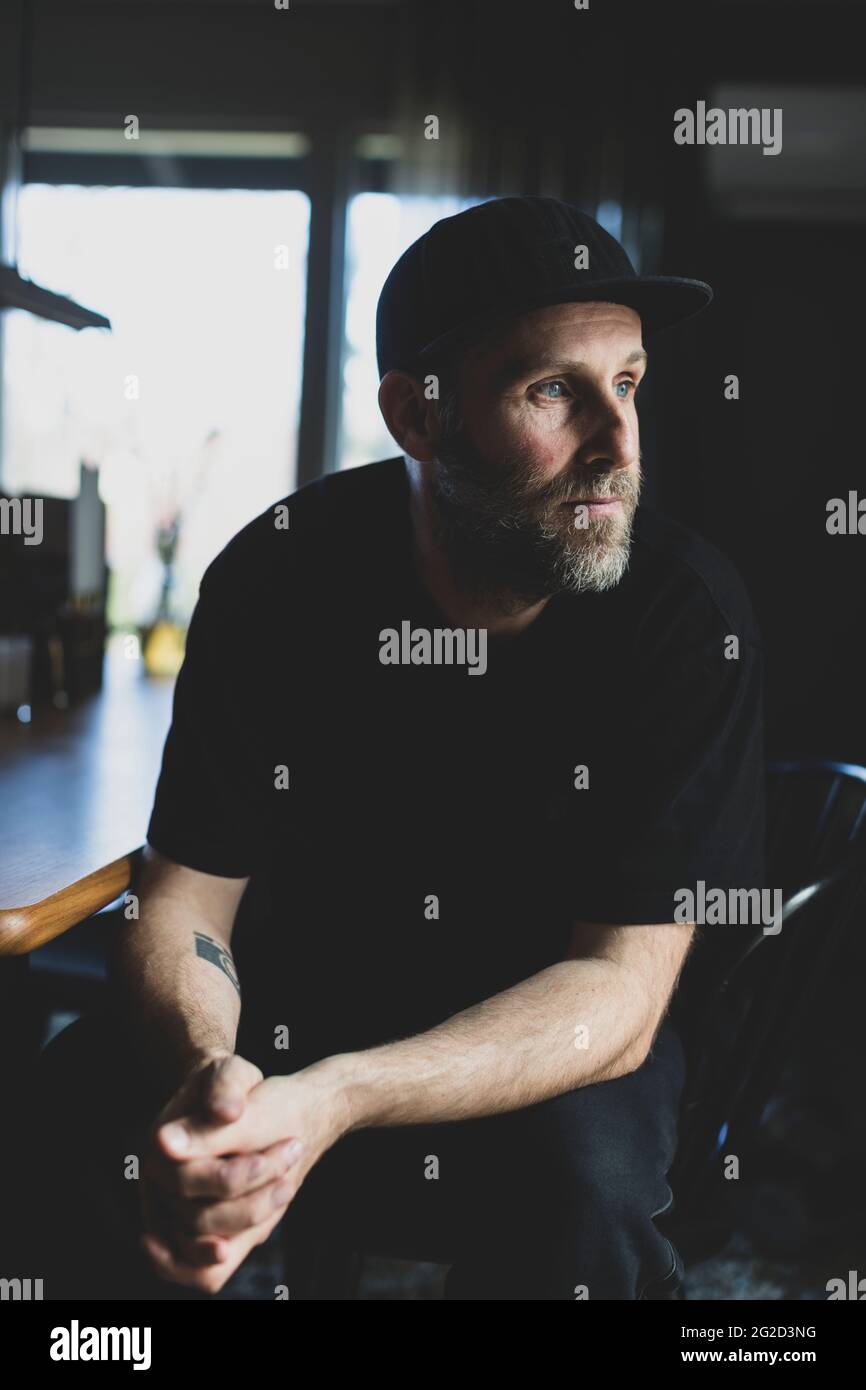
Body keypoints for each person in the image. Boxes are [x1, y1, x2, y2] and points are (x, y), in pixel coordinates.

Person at [10, 197, 766, 1301]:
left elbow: (617, 989)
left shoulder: (684, 614)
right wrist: (215, 1079)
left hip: (552, 1037)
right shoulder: (275, 578)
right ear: (418, 415)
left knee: (581, 1187)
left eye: (629, 381)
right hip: (298, 1006)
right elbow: (184, 903)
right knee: (66, 1109)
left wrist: (338, 1096)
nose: (618, 442)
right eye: (553, 388)